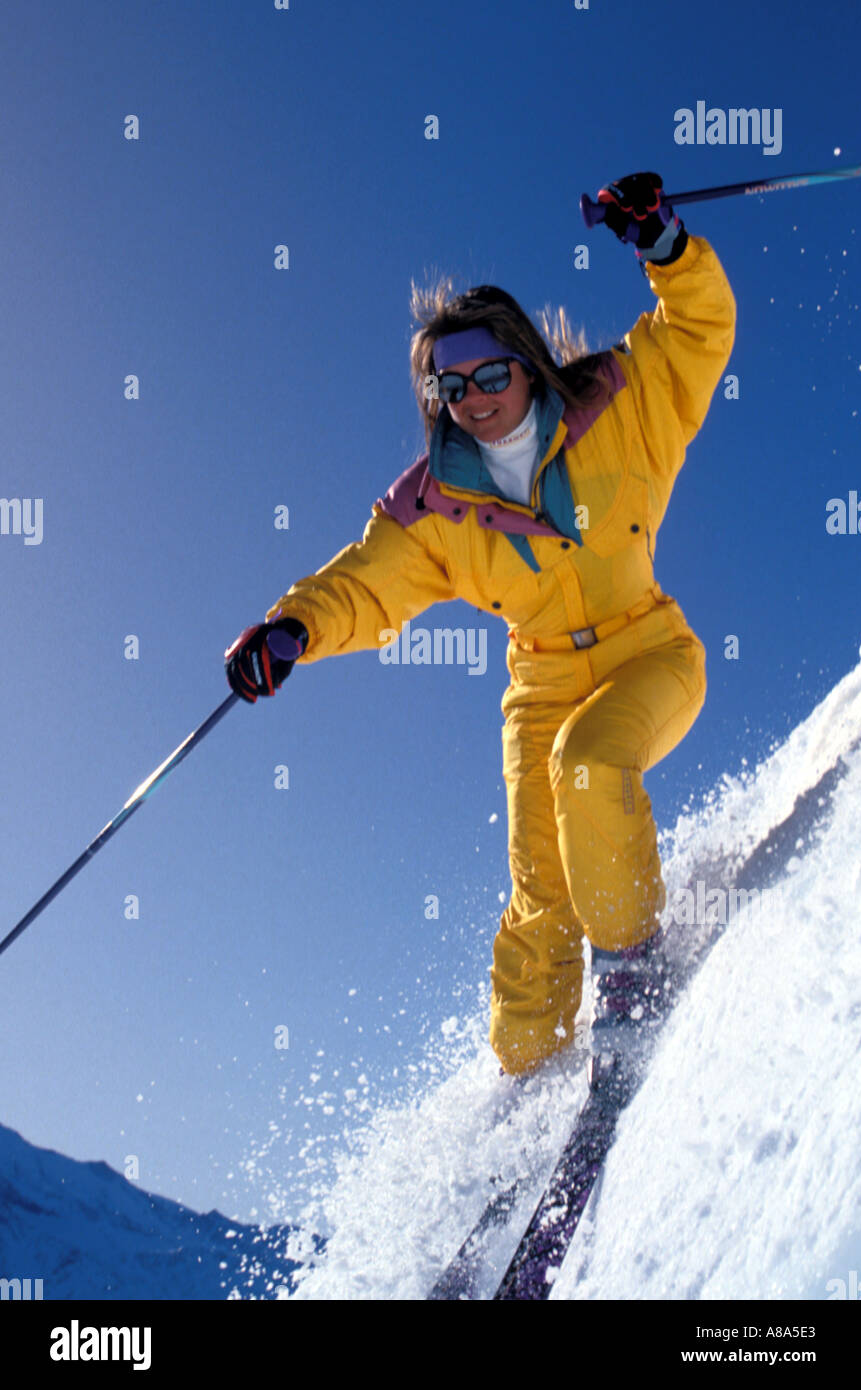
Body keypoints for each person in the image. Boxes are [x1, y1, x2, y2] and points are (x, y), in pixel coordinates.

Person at [224, 172, 737, 1077]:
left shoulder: (622, 408)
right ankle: (524, 1075)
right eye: (449, 384)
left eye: (490, 373)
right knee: (541, 892)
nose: (474, 397)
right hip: (539, 684)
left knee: (590, 766)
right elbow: (367, 584)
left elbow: (696, 330)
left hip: (651, 652)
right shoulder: (436, 505)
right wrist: (293, 629)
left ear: (526, 364)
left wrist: (665, 247)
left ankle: (632, 965)